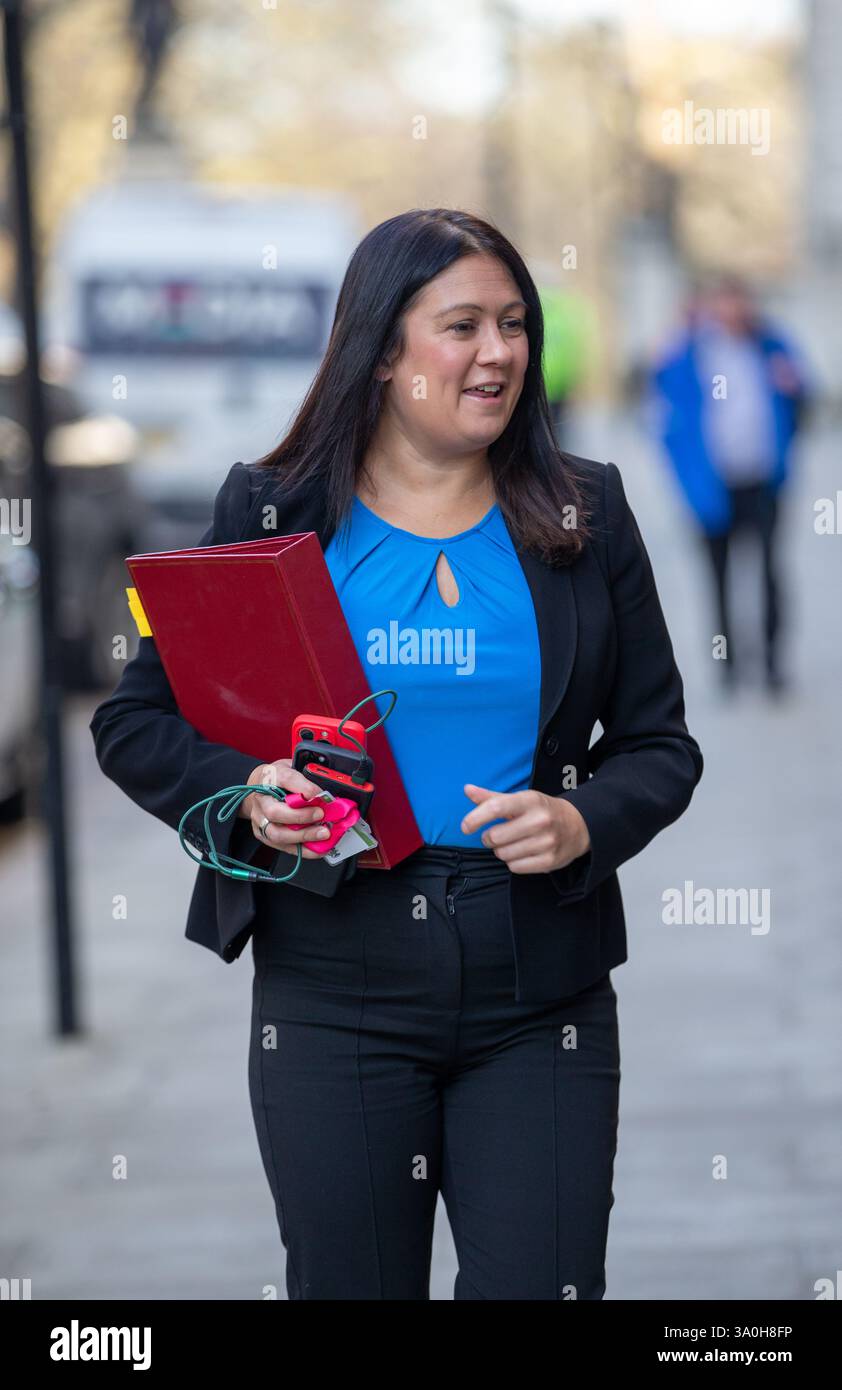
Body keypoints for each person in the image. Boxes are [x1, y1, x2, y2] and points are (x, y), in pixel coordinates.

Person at [90, 207, 703, 1301]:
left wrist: (581, 820)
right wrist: (248, 794)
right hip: (333, 981)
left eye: (512, 324)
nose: (498, 352)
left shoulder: (585, 509)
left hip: (540, 982)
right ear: (381, 350)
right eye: (460, 325)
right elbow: (133, 722)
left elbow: (658, 743)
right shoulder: (273, 509)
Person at [650, 274, 810, 695]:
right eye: (723, 301)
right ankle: (729, 665)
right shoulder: (690, 353)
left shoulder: (771, 346)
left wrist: (794, 391)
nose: (733, 310)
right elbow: (661, 401)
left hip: (763, 479)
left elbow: (803, 399)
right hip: (712, 486)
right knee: (717, 577)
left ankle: (773, 663)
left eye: (739, 301)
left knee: (769, 570)